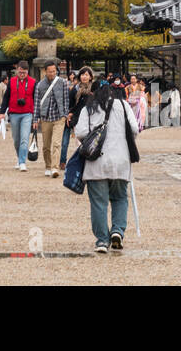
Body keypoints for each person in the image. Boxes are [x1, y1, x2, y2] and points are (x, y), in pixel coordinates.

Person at [74, 76, 140, 252]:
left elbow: (80, 132)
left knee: (99, 202)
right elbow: (135, 129)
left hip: (96, 162)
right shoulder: (124, 106)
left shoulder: (88, 108)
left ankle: (102, 240)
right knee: (119, 198)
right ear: (111, 91)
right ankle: (117, 232)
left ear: (93, 92)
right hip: (121, 161)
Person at [33, 61, 70, 178]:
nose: (52, 73)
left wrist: (65, 114)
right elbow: (36, 103)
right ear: (45, 71)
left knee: (57, 143)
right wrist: (35, 119)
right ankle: (48, 166)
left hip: (59, 117)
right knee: (46, 145)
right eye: (50, 71)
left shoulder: (62, 82)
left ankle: (55, 167)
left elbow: (66, 100)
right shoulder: (40, 85)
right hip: (46, 117)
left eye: (54, 71)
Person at [0, 61, 36, 171]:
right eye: (20, 72)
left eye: (24, 72)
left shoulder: (33, 82)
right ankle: (19, 158)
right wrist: (1, 112)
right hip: (14, 113)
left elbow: (36, 99)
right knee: (16, 139)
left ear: (27, 71)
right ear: (17, 71)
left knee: (24, 138)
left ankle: (22, 162)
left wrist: (36, 115)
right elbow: (6, 98)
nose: (22, 74)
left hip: (27, 113)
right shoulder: (12, 81)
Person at [62, 66, 94, 170]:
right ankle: (74, 162)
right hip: (76, 118)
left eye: (86, 75)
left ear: (90, 77)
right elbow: (69, 104)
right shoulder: (74, 89)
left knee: (88, 140)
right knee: (77, 141)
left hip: (90, 117)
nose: (84, 77)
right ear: (79, 76)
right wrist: (69, 113)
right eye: (82, 74)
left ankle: (87, 161)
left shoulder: (94, 89)